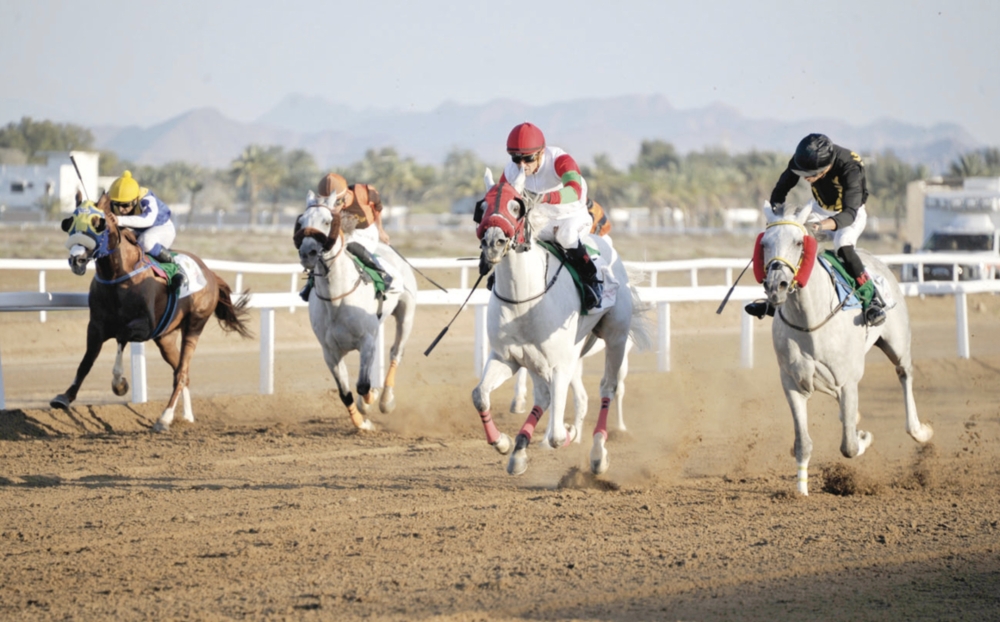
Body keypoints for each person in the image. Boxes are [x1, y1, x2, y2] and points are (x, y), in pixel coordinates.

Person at [745, 133, 886, 327]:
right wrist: (778, 220)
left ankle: (872, 300)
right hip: (819, 210)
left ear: (826, 167)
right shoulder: (804, 159)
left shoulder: (850, 167)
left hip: (849, 214)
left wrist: (821, 226)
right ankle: (775, 298)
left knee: (842, 244)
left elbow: (849, 214)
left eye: (810, 175)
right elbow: (780, 191)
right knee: (791, 238)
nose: (805, 178)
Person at [496, 122, 603, 310]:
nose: (522, 166)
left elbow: (575, 191)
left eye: (528, 159)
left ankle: (592, 280)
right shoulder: (511, 170)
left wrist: (544, 197)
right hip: (540, 220)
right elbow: (498, 198)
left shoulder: (560, 159)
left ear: (541, 152)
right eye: (516, 159)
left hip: (572, 215)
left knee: (566, 235)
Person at [299, 173, 395, 302]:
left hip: (365, 232)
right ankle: (311, 283)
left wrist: (381, 230)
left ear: (345, 195)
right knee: (325, 252)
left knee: (352, 247)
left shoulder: (365, 192)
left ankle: (382, 274)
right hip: (343, 232)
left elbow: (378, 208)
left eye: (336, 202)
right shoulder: (327, 204)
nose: (333, 206)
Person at [108, 170, 184, 290]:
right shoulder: (114, 196)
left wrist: (119, 220)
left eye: (125, 205)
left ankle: (176, 267)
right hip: (139, 230)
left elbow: (148, 220)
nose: (121, 209)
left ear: (135, 200)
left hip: (162, 228)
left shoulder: (146, 198)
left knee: (146, 242)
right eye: (116, 205)